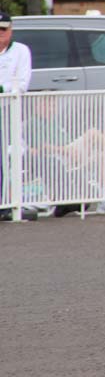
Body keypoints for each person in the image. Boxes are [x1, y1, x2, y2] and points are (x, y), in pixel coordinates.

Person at [24, 96, 105, 215]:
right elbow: (41, 147)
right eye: (46, 106)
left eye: (52, 106)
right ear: (36, 107)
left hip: (70, 156)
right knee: (93, 133)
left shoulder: (53, 123)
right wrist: (66, 150)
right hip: (56, 159)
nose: (50, 109)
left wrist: (71, 151)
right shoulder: (33, 123)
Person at [0, 12, 35, 222]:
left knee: (3, 157)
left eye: (3, 30)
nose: (0, 34)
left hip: (6, 111)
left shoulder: (21, 51)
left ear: (10, 31)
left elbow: (21, 85)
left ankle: (4, 202)